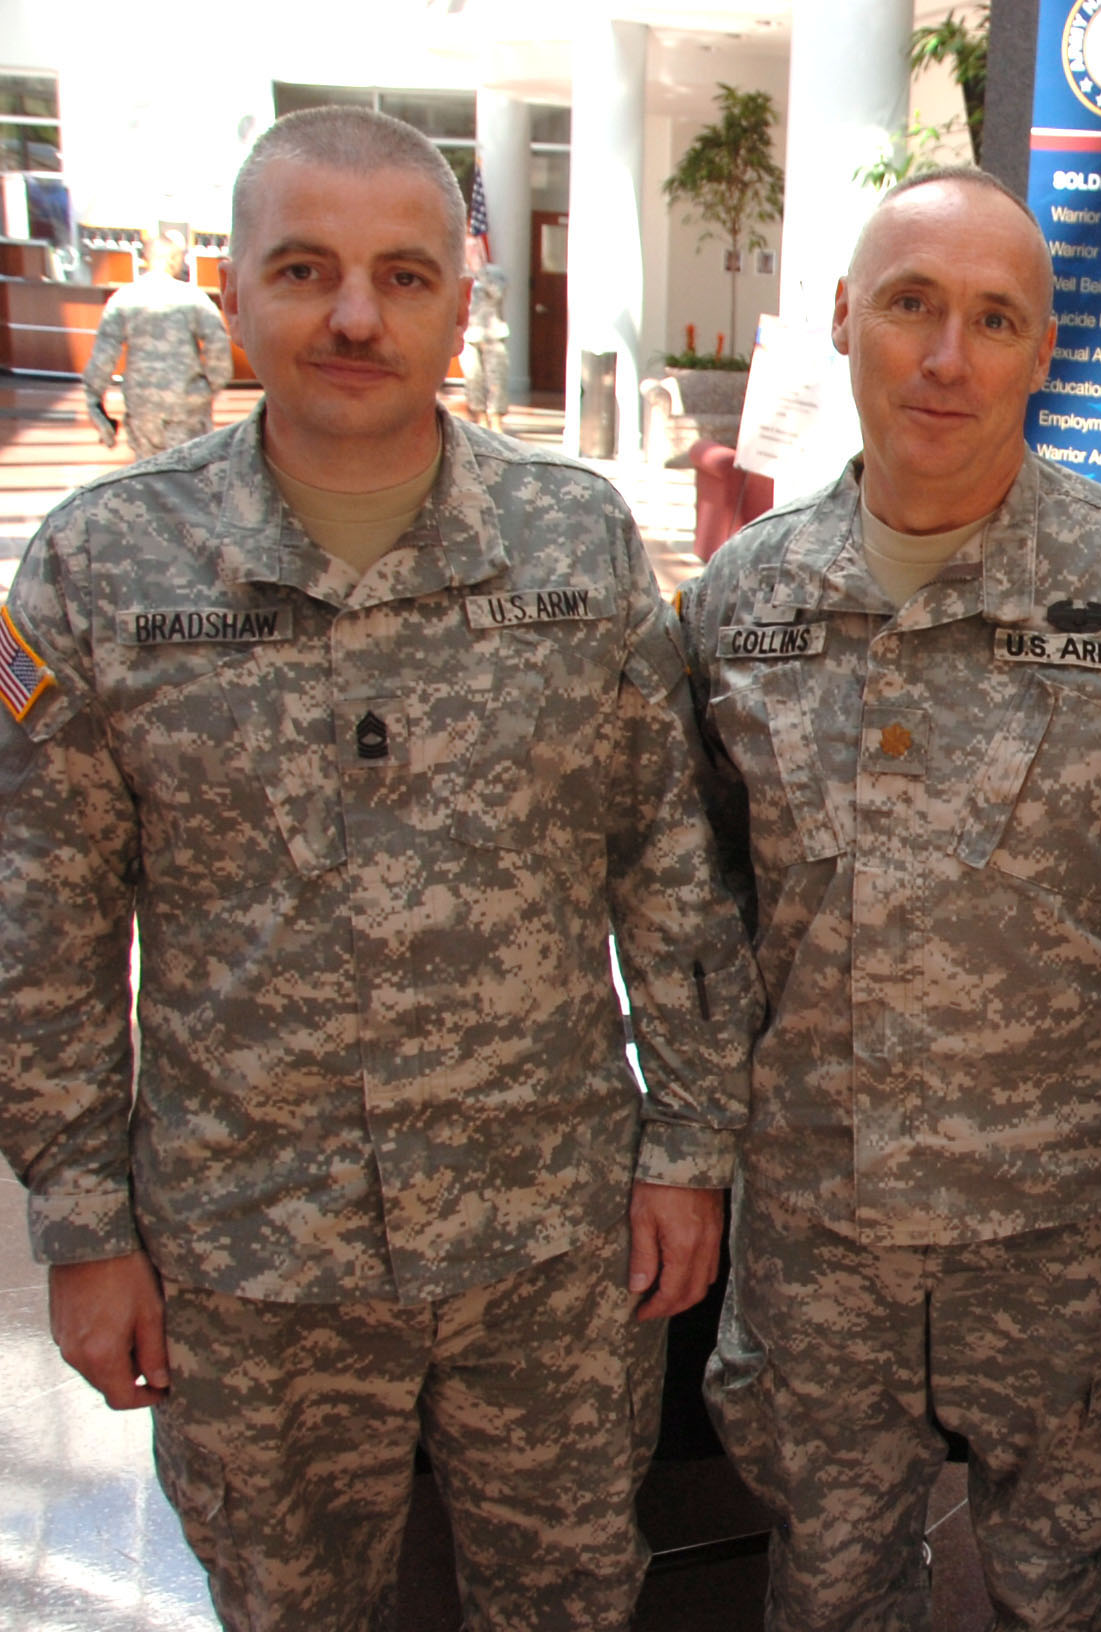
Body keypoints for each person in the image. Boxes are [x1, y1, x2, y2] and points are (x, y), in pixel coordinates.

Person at [0, 106, 757, 1630]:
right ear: (233, 294)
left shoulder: (572, 542)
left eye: (403, 276)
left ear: (461, 305)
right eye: (305, 270)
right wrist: (84, 1230)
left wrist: (690, 1147)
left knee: (569, 1596)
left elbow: (668, 868)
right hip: (246, 1251)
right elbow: (45, 932)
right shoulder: (101, 566)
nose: (356, 316)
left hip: (547, 1238)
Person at [677, 164, 1101, 1632]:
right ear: (844, 318)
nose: (947, 358)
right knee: (826, 1594)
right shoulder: (740, 608)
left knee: (1057, 1599)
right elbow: (702, 912)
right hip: (819, 1242)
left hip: (1067, 1249)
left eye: (994, 319)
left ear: (1043, 349)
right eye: (911, 305)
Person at [81, 230, 233, 458]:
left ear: (146, 259)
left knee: (149, 472)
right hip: (187, 405)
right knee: (189, 472)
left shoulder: (123, 299)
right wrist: (208, 388)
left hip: (142, 408)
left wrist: (94, 398)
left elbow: (103, 357)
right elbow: (218, 344)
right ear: (174, 260)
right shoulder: (194, 298)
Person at [461, 236, 514, 432]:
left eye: (476, 248)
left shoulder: (495, 273)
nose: (473, 252)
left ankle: (496, 423)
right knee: (473, 380)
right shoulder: (458, 274)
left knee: (497, 381)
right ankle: (481, 420)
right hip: (468, 336)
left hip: (493, 337)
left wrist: (480, 271)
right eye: (469, 249)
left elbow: (497, 293)